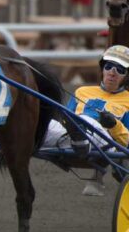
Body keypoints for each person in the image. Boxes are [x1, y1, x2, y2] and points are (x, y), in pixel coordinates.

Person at [41, 45, 129, 196]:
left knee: (89, 122)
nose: (112, 73)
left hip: (104, 143)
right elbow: (64, 122)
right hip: (70, 135)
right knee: (44, 124)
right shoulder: (82, 91)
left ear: (126, 76)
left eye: (120, 70)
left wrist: (114, 125)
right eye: (109, 67)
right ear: (102, 69)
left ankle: (81, 135)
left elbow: (127, 142)